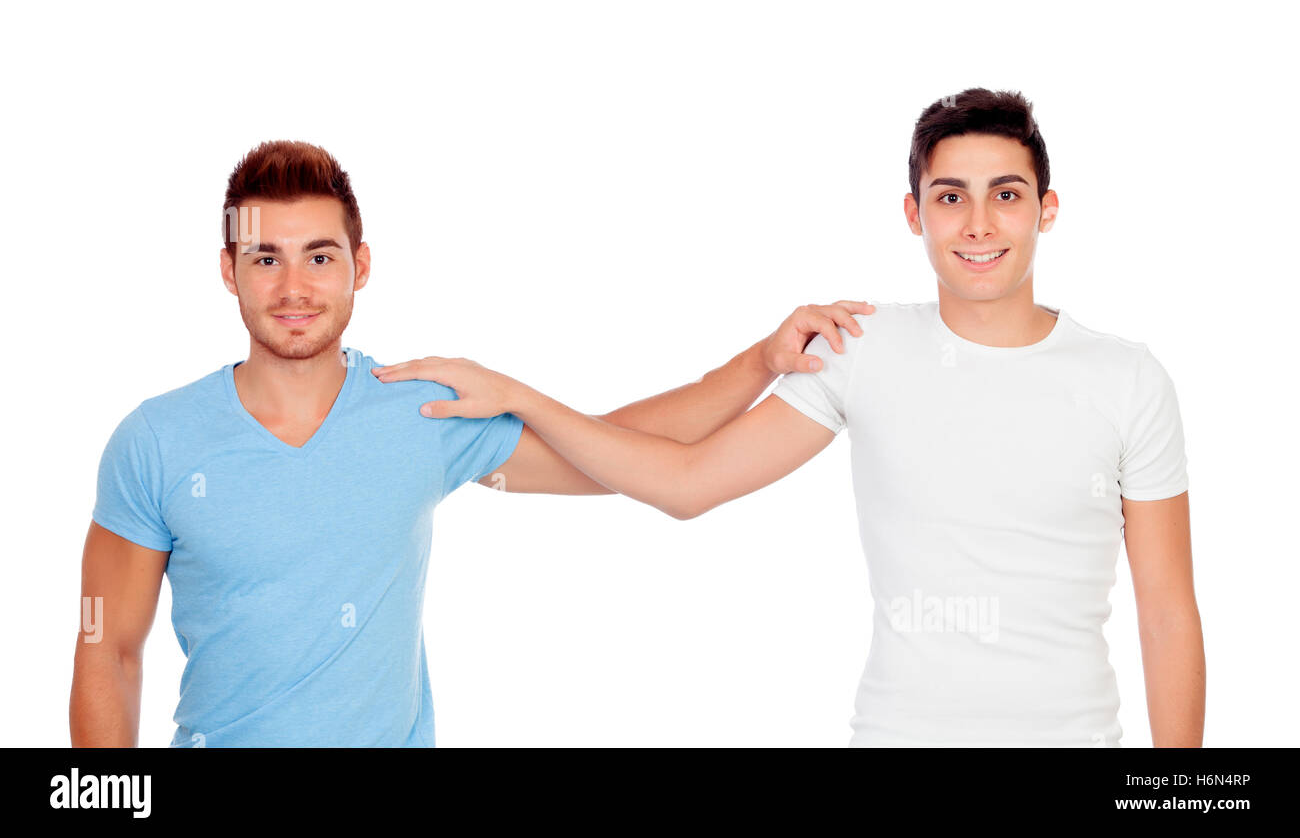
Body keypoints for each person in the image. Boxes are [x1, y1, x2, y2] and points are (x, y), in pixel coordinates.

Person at [379, 88, 1205, 747]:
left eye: (1006, 195)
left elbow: (1167, 609)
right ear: (915, 214)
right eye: (951, 196)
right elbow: (684, 483)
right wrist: (523, 397)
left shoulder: (1126, 377)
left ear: (1046, 209)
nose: (980, 223)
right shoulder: (862, 348)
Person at [70, 139, 870, 747]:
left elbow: (613, 447)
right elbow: (109, 649)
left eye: (319, 256)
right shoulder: (155, 442)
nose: (293, 288)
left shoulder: (417, 414)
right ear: (228, 269)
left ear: (361, 266)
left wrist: (763, 360)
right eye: (264, 258)